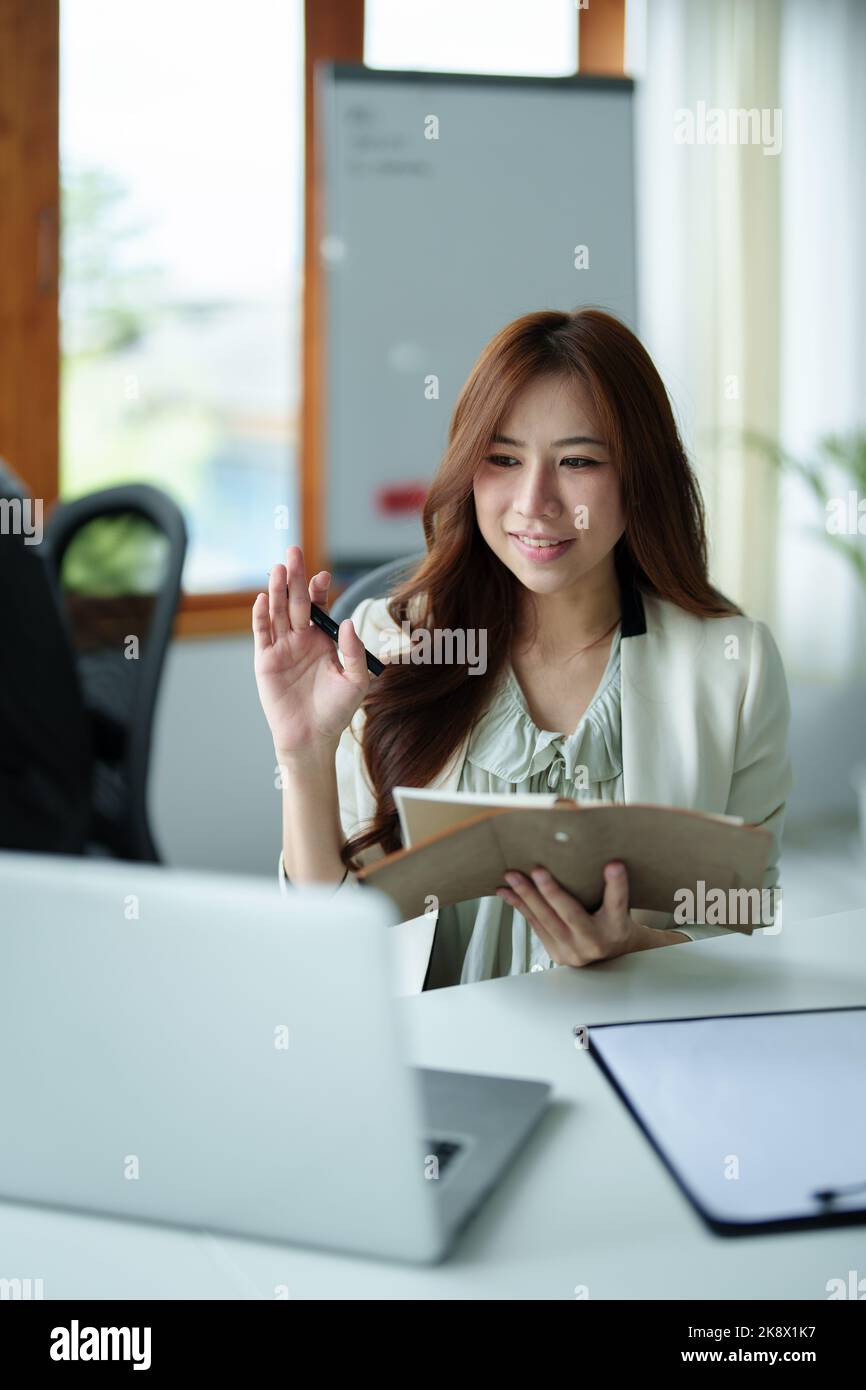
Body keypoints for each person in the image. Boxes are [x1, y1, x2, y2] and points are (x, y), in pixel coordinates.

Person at [253, 308, 793, 989]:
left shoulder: (733, 671)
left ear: (638, 477)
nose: (534, 502)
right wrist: (302, 755)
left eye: (578, 461)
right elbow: (327, 949)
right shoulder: (386, 645)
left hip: (635, 1050)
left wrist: (642, 946)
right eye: (503, 459)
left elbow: (744, 922)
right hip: (436, 1070)